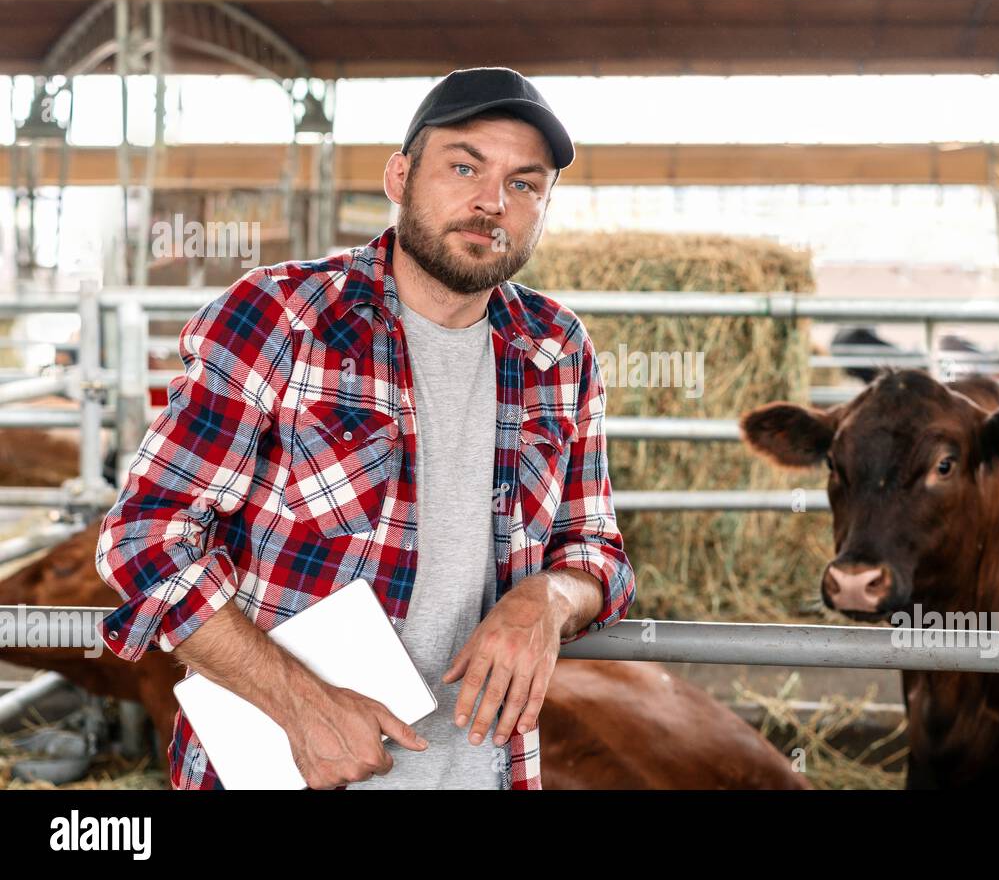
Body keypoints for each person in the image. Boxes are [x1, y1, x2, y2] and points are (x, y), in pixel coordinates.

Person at [94, 67, 636, 790]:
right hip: (286, 769)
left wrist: (549, 599)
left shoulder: (557, 349)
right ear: (399, 175)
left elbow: (595, 548)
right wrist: (299, 704)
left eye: (525, 184)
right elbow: (147, 537)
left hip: (486, 773)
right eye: (464, 166)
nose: (490, 202)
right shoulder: (279, 316)